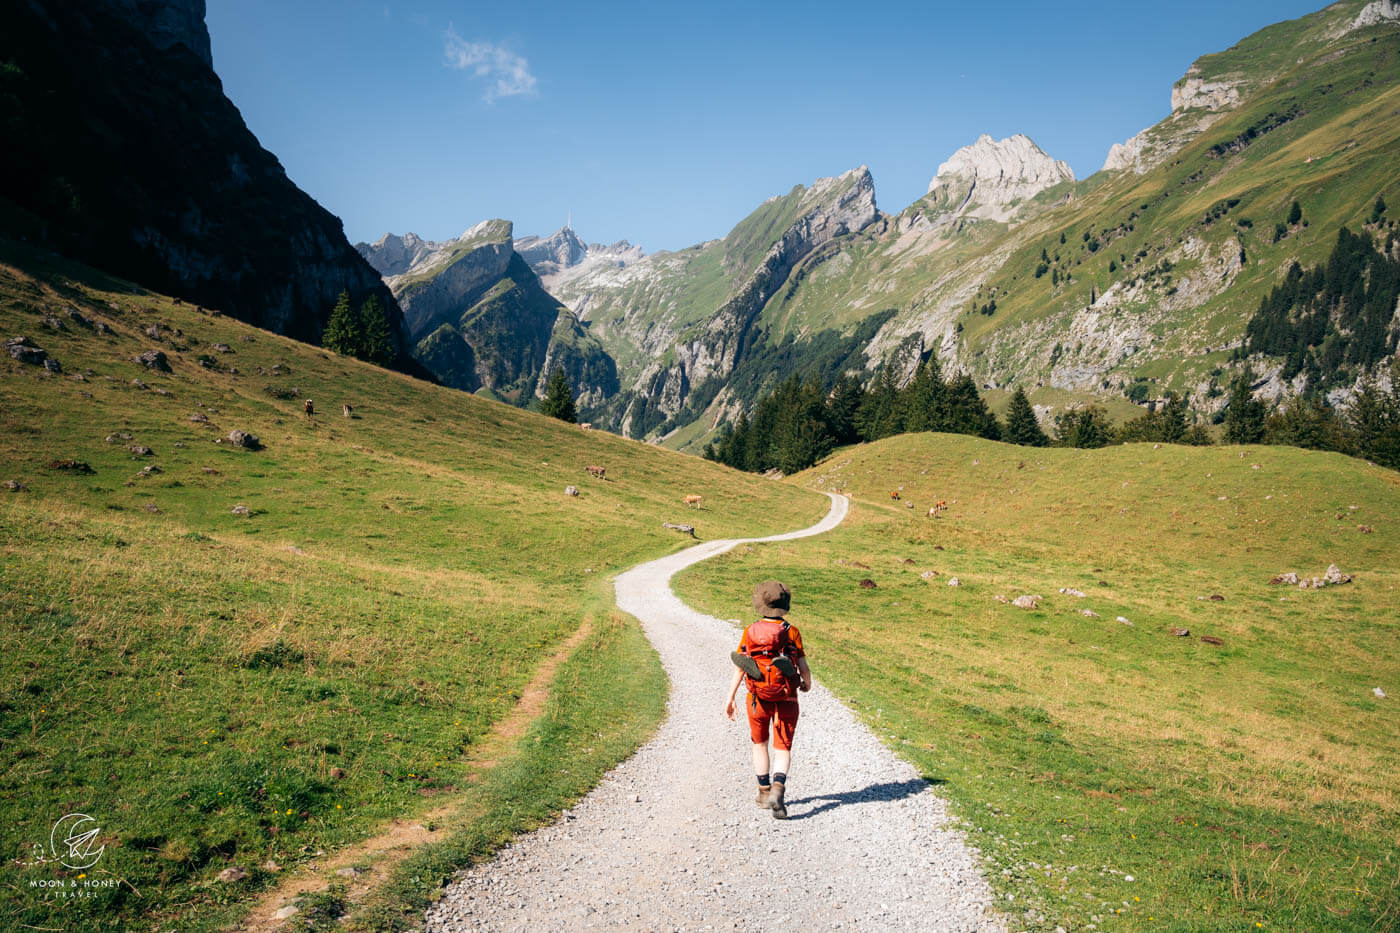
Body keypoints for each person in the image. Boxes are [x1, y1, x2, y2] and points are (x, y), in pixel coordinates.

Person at [723, 580, 812, 819]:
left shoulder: (750, 631)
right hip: (787, 695)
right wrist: (806, 684)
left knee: (759, 743)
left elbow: (740, 668)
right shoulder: (792, 632)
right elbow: (803, 666)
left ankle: (763, 792)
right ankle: (778, 789)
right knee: (782, 747)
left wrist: (730, 697)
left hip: (757, 696)